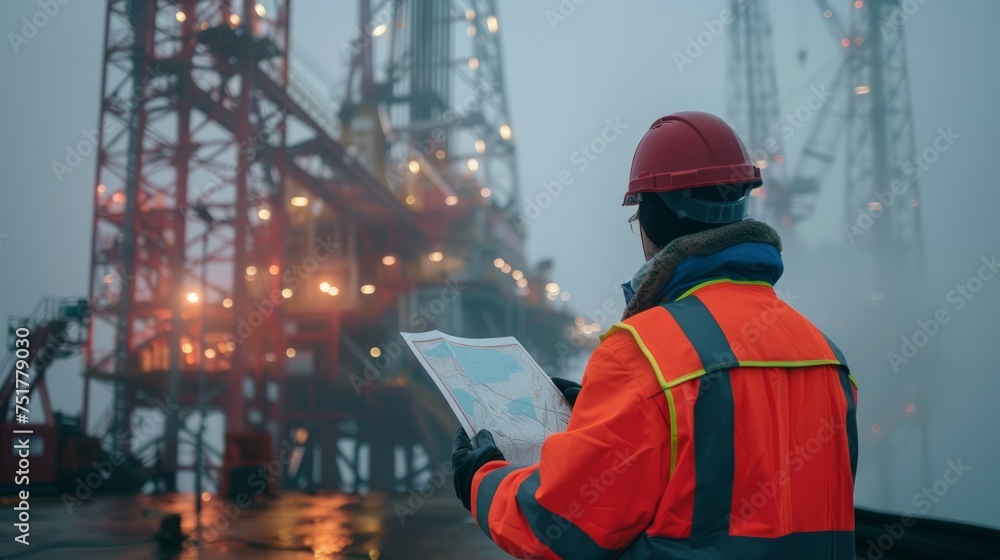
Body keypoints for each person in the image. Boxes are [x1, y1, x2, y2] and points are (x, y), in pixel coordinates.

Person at [452, 112, 858, 559]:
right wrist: (609, 409)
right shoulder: (827, 358)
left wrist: (482, 477)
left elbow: (560, 528)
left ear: (652, 217)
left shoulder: (641, 354)